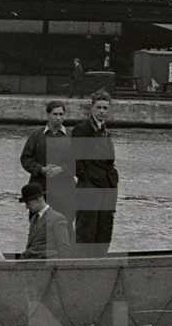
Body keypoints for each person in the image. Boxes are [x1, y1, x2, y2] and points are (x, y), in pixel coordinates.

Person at [69, 88, 119, 255]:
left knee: (105, 227)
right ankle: (84, 263)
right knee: (86, 227)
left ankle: (100, 260)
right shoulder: (82, 130)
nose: (102, 112)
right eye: (99, 108)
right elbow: (75, 159)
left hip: (107, 186)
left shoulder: (105, 131)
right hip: (90, 186)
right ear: (92, 108)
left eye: (105, 108)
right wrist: (87, 179)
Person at [19, 99, 75, 211]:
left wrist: (62, 169)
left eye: (61, 114)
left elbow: (78, 162)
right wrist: (41, 169)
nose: (58, 117)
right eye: (55, 114)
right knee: (39, 222)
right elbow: (25, 159)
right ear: (48, 115)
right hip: (40, 188)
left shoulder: (72, 137)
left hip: (64, 188)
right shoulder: (36, 135)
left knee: (64, 222)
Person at [18, 179, 75, 260]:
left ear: (38, 199)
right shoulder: (34, 219)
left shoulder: (57, 218)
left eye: (28, 203)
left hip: (48, 267)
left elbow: (64, 249)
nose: (26, 207)